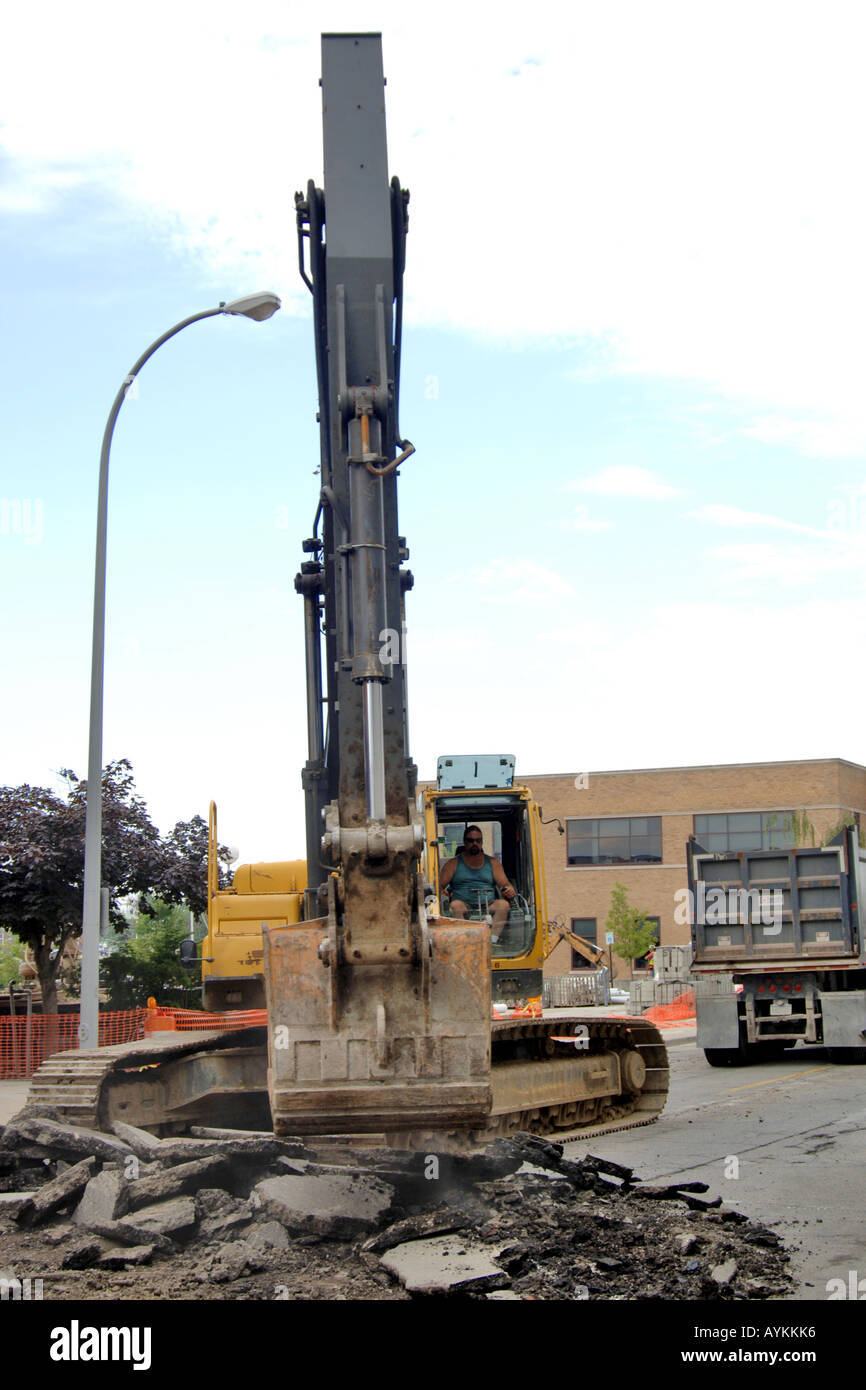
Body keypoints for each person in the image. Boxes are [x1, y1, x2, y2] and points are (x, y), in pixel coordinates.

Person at [440, 826, 517, 941]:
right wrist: (443, 891)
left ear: (482, 842)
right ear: (465, 842)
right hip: (464, 904)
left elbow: (504, 884)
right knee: (455, 906)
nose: (474, 843)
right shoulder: (453, 864)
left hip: (488, 903)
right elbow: (437, 887)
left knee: (503, 905)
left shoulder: (493, 863)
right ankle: (464, 940)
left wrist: (510, 889)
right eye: (471, 840)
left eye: (478, 840)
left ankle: (492, 941)